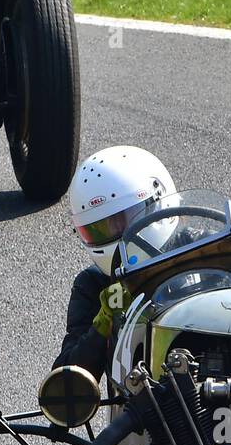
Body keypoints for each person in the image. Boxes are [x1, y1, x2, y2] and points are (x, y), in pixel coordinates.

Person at [55, 146, 176, 379]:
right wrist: (103, 323)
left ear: (158, 200)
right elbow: (66, 380)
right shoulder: (94, 283)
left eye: (126, 219)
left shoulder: (207, 248)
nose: (117, 233)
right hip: (141, 403)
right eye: (99, 228)